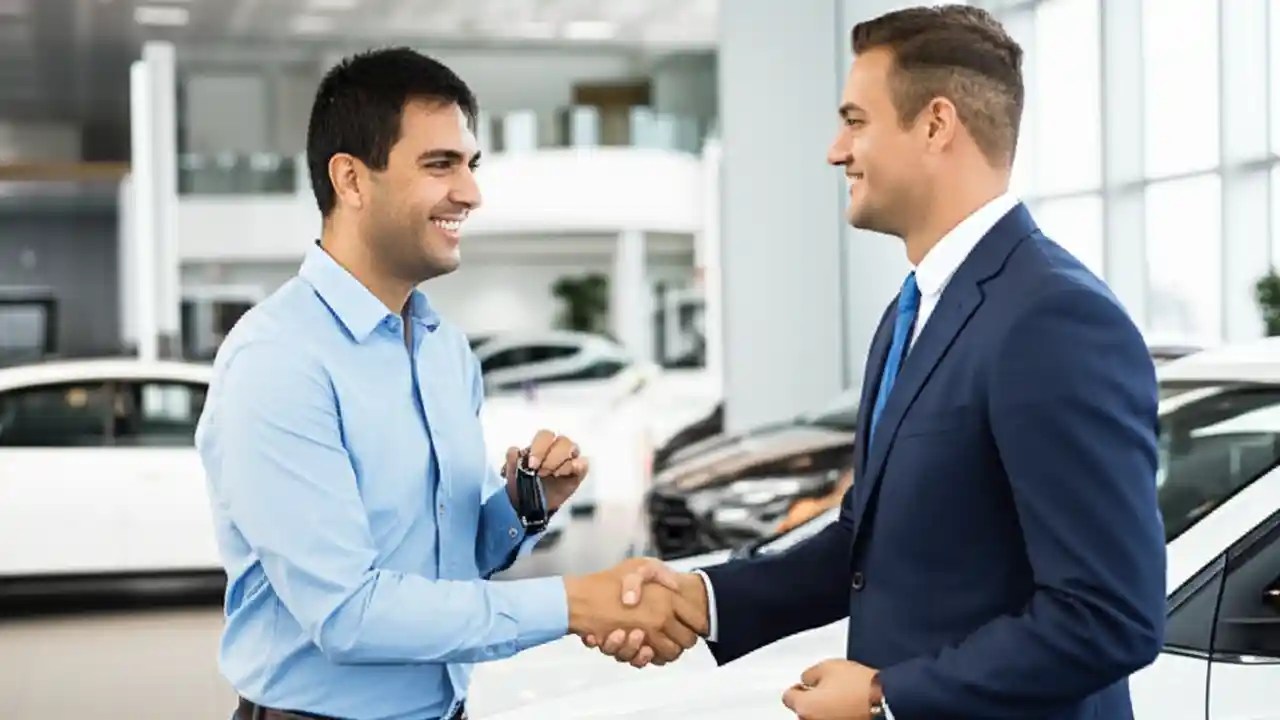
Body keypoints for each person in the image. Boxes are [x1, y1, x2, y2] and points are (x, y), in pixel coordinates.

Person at [589, 6, 1167, 720]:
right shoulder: (912, 312)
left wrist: (884, 696)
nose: (836, 150)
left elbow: (1109, 615)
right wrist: (702, 599)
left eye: (856, 120)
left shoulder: (1055, 319)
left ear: (935, 125)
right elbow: (866, 548)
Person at [195, 47, 701, 720]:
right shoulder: (277, 360)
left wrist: (525, 506)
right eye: (441, 165)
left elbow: (448, 566)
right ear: (350, 179)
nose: (470, 192)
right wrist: (577, 602)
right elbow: (349, 613)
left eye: (471, 165)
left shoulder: (443, 350)